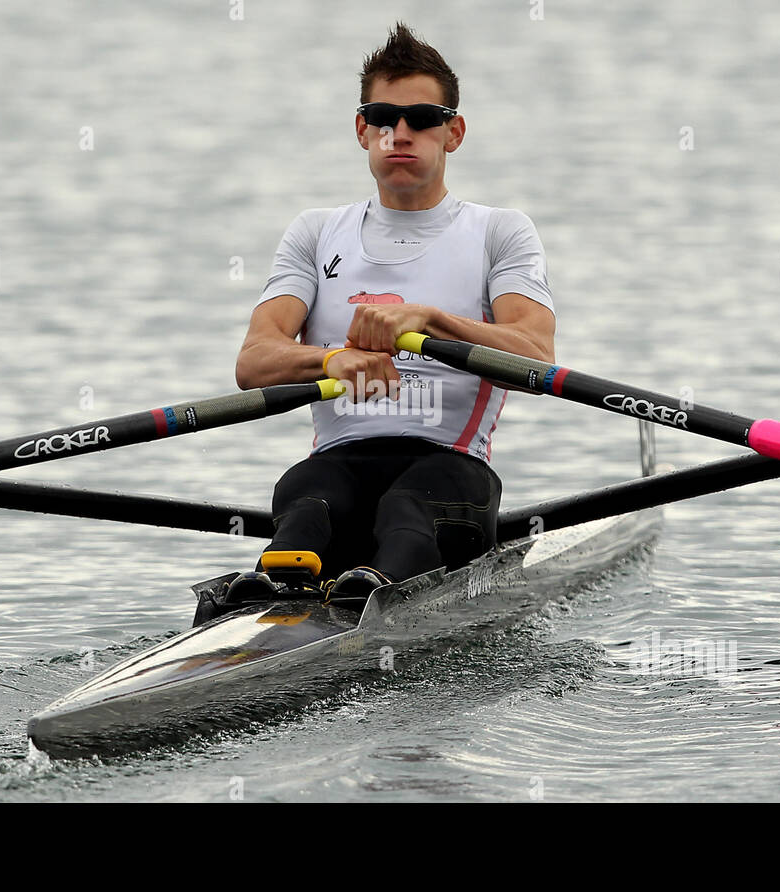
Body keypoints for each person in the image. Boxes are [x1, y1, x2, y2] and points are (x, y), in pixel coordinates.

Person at [215, 22, 555, 616]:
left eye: (422, 118)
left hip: (451, 471)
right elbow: (254, 361)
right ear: (360, 129)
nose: (400, 133)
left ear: (454, 132)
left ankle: (369, 595)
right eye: (382, 118)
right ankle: (270, 604)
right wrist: (329, 359)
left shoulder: (498, 231)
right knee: (306, 499)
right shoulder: (316, 232)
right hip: (337, 468)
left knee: (407, 511)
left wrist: (425, 322)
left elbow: (535, 355)